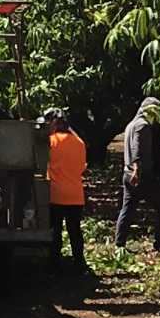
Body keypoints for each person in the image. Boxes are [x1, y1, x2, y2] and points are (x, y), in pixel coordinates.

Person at [114, 97, 160, 251]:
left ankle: (119, 244)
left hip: (127, 174)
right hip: (141, 176)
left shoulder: (131, 124)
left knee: (127, 209)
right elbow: (137, 150)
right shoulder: (143, 126)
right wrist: (137, 170)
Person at [43, 111, 89, 272]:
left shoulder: (51, 141)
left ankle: (54, 263)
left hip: (56, 193)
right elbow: (82, 166)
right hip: (75, 194)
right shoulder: (79, 142)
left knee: (55, 230)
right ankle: (79, 262)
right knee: (75, 230)